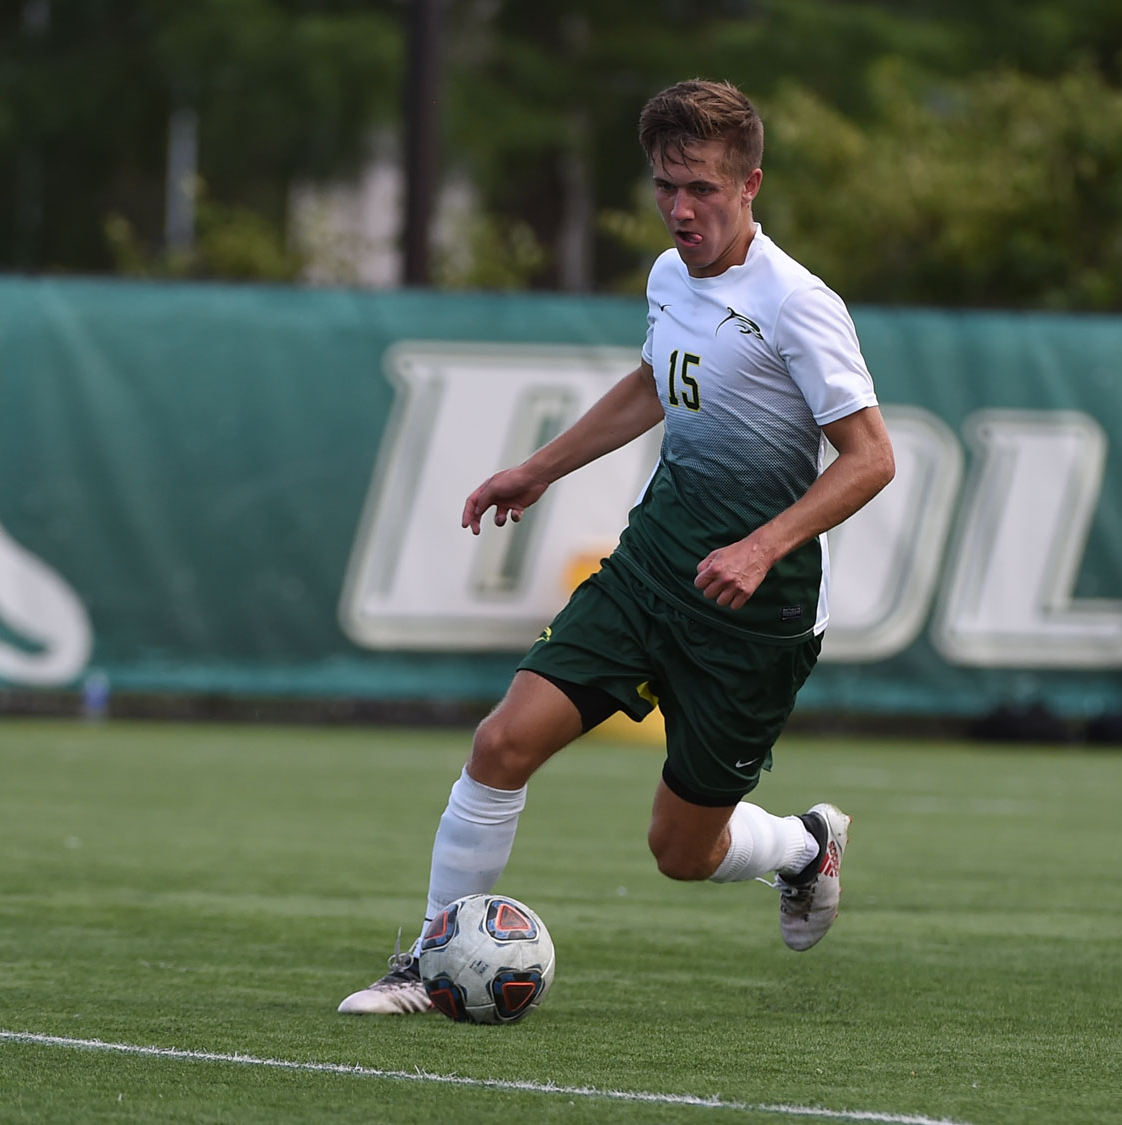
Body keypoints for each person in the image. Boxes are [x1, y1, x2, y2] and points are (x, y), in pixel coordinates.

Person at [339, 79, 895, 1014]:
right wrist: (539, 468)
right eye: (665, 187)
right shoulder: (669, 276)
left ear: (751, 183)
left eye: (704, 190)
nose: (681, 209)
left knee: (682, 852)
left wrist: (760, 548)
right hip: (653, 565)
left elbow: (872, 458)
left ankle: (803, 846)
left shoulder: (800, 304)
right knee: (502, 741)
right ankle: (429, 967)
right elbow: (652, 382)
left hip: (758, 614)